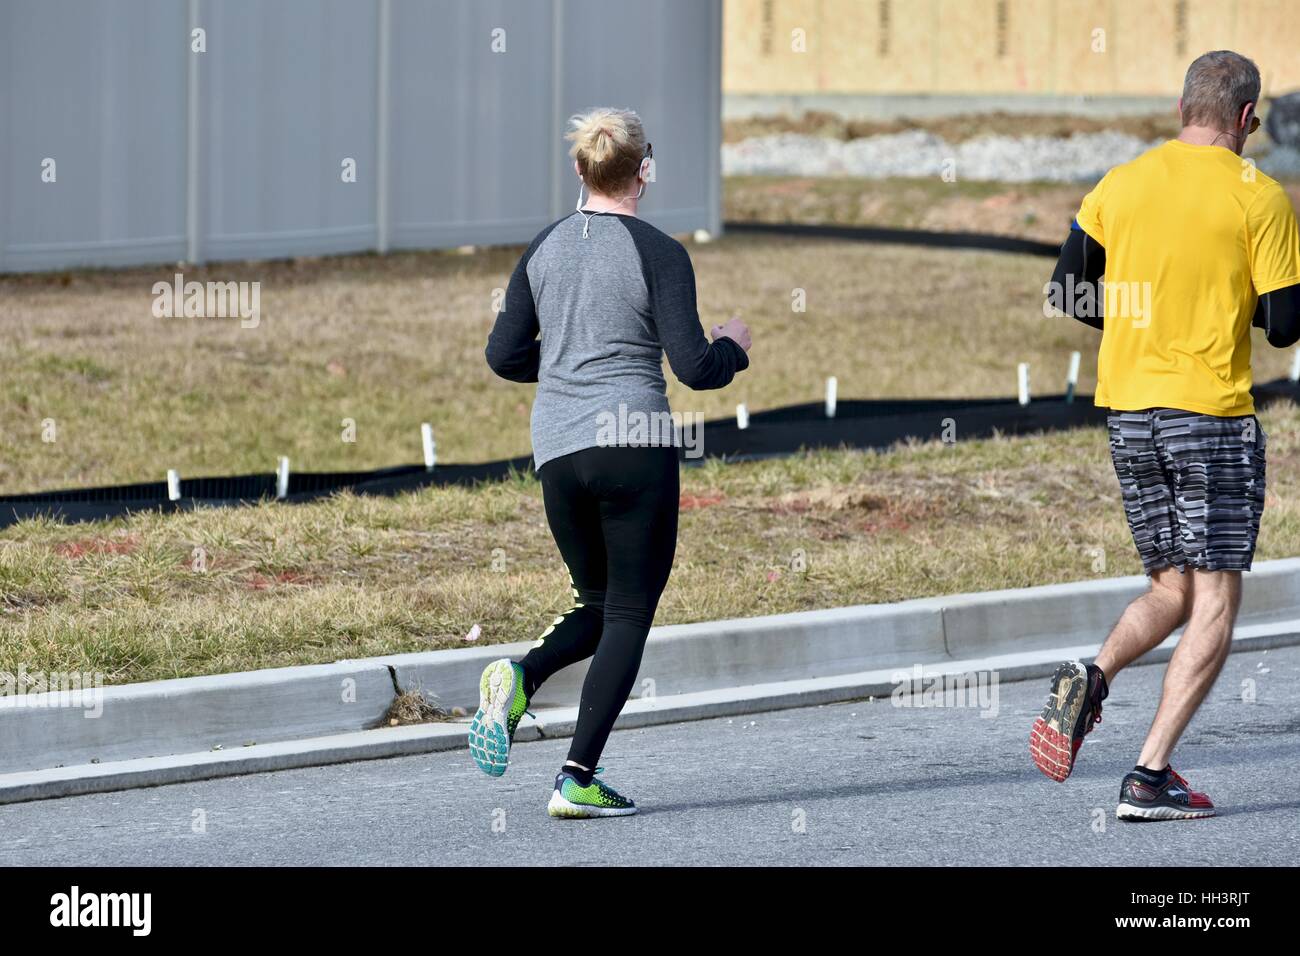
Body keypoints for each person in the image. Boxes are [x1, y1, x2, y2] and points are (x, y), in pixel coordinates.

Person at [1032, 51, 1300, 820]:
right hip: (1209, 417)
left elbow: (1069, 290)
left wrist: (1149, 318)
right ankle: (1149, 777)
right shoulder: (1260, 195)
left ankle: (1094, 673)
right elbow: (1285, 322)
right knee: (1215, 595)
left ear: (1184, 106)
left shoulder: (1121, 182)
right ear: (1247, 118)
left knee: (1171, 585)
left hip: (1129, 413)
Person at [472, 107, 752, 818]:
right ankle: (575, 776)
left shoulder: (542, 247)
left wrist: (564, 363)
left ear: (578, 169)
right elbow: (694, 366)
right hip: (634, 443)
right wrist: (735, 344)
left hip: (558, 451)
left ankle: (520, 674)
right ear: (645, 170)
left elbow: (502, 355)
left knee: (594, 602)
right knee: (627, 610)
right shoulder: (660, 251)